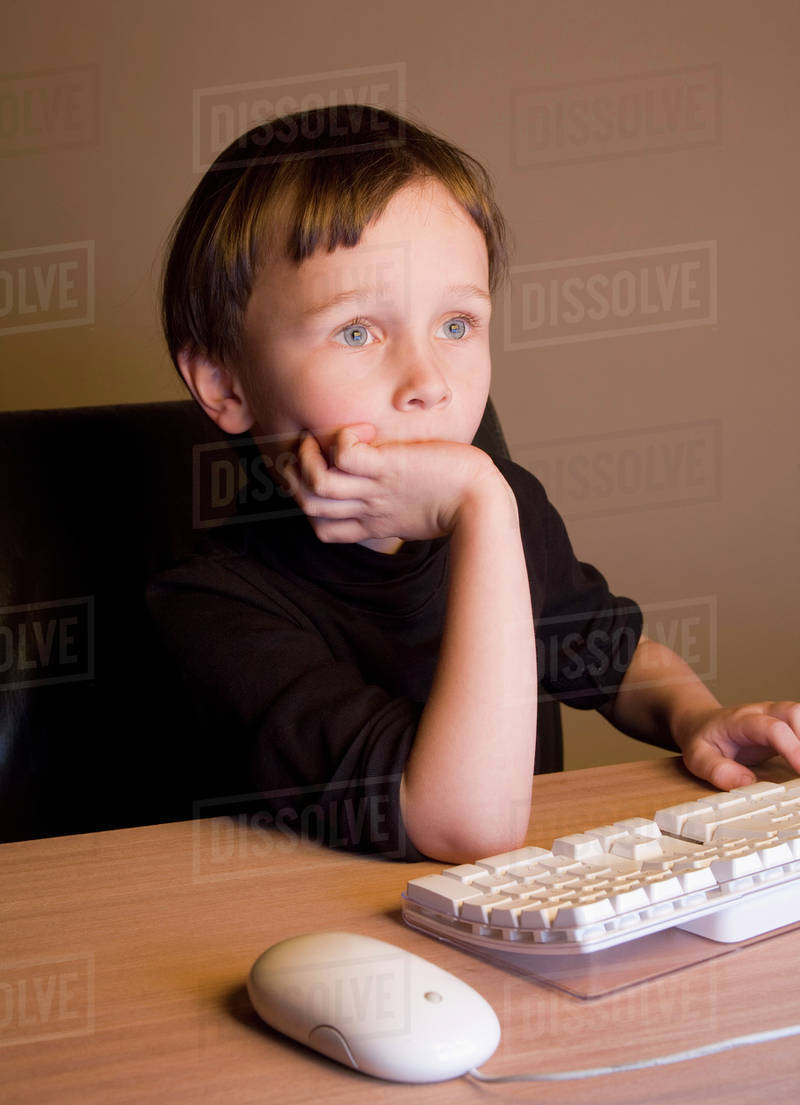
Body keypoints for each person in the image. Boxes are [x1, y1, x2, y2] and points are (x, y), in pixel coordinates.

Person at [148, 104, 800, 863]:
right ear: (225, 383)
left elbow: (614, 657)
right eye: (358, 331)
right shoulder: (209, 610)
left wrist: (695, 715)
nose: (428, 381)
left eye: (457, 325)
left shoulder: (501, 503)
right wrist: (482, 506)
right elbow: (463, 826)